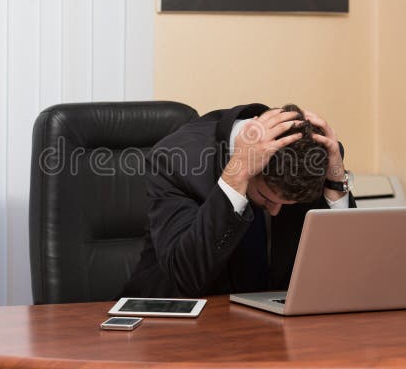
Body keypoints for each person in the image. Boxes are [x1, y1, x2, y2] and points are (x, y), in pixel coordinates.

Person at [121, 103, 356, 298]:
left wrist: (335, 180)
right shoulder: (175, 160)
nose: (275, 212)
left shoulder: (308, 161)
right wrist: (237, 173)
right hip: (174, 319)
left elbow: (342, 270)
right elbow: (187, 277)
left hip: (272, 322)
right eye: (265, 197)